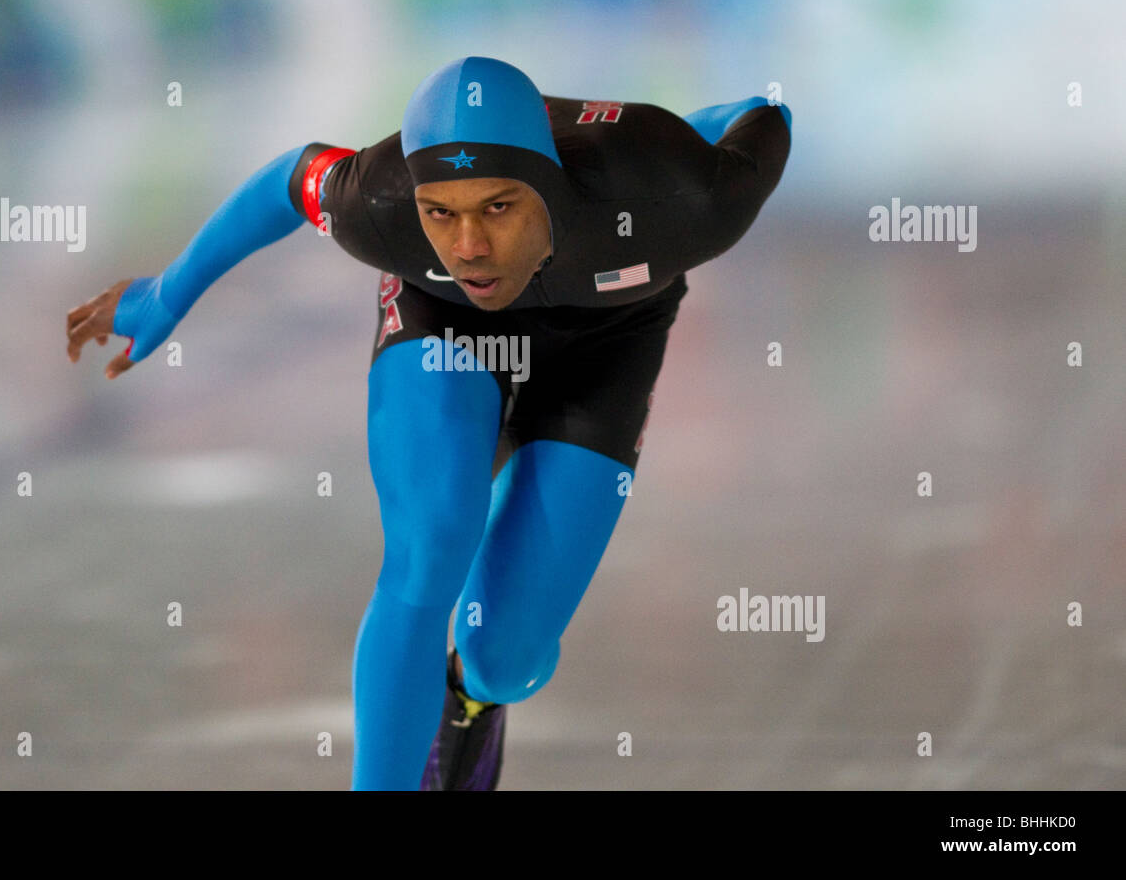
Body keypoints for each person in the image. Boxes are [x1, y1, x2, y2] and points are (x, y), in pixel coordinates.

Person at [66, 56, 791, 790]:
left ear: (550, 188)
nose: (469, 245)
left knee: (504, 659)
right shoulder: (376, 199)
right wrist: (165, 295)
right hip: (444, 320)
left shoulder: (682, 193)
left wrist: (701, 127)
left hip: (608, 343)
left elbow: (768, 113)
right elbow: (288, 179)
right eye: (441, 212)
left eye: (500, 207)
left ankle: (471, 699)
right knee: (430, 546)